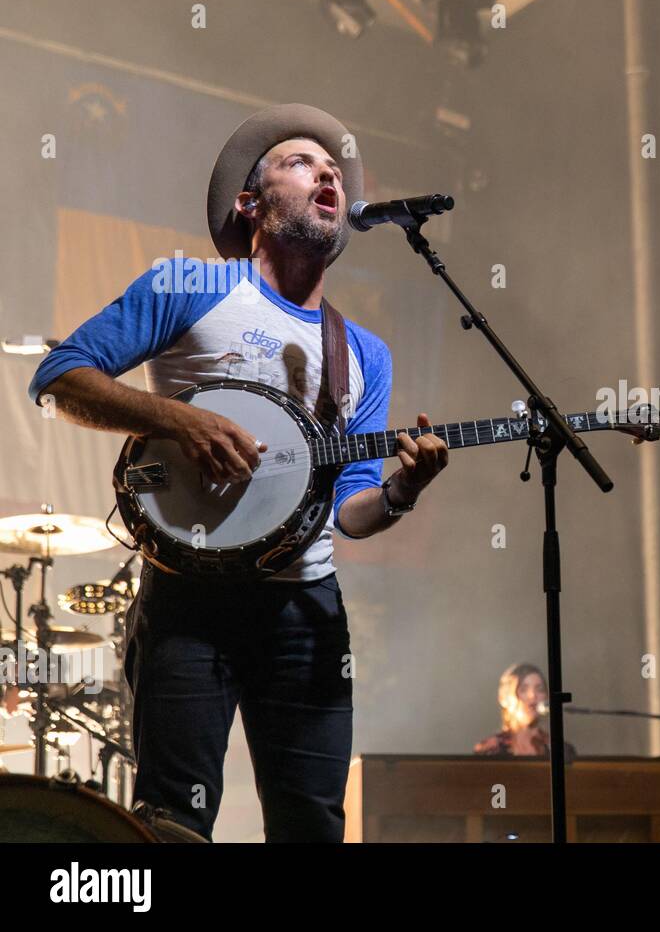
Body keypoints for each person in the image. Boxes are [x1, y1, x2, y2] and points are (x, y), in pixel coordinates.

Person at [27, 104, 451, 841]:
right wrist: (179, 420)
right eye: (300, 163)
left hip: (306, 611)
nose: (327, 173)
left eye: (333, 169)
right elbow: (61, 377)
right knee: (172, 825)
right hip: (191, 603)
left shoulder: (364, 353)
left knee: (312, 825)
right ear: (249, 204)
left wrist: (402, 491)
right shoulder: (189, 285)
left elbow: (352, 510)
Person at [473, 663, 572, 759]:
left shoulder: (560, 750)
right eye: (523, 689)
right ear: (504, 698)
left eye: (540, 689)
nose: (533, 695)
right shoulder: (489, 750)